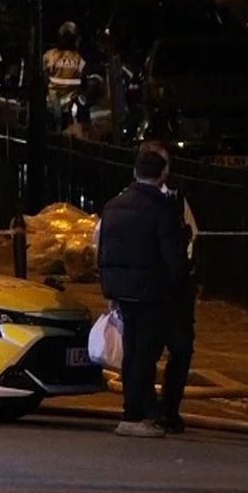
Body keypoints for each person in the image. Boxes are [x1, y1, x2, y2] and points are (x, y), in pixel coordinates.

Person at [97, 142, 189, 438]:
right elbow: (172, 257)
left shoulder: (113, 206)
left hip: (122, 291)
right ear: (162, 175)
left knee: (132, 350)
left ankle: (132, 408)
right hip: (151, 290)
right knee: (144, 354)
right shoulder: (160, 209)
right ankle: (137, 412)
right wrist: (179, 280)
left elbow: (102, 250)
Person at [158, 174, 199, 433]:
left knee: (180, 350)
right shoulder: (136, 201)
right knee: (144, 352)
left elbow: (193, 238)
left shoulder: (177, 201)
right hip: (151, 290)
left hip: (175, 291)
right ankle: (144, 410)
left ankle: (168, 410)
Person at [42, 21, 85, 125]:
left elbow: (43, 80)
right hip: (69, 108)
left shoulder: (49, 55)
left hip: (52, 106)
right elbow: (82, 83)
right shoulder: (79, 59)